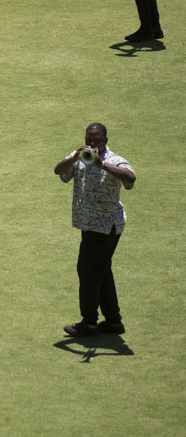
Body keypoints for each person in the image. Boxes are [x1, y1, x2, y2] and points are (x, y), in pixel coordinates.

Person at [54, 124, 136, 337]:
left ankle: (89, 323)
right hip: (88, 224)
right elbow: (59, 171)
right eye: (89, 139)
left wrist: (103, 165)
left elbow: (130, 178)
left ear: (106, 140)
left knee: (88, 272)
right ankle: (113, 322)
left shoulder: (115, 160)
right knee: (101, 271)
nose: (92, 144)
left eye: (97, 140)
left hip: (106, 227)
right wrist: (74, 158)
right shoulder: (81, 157)